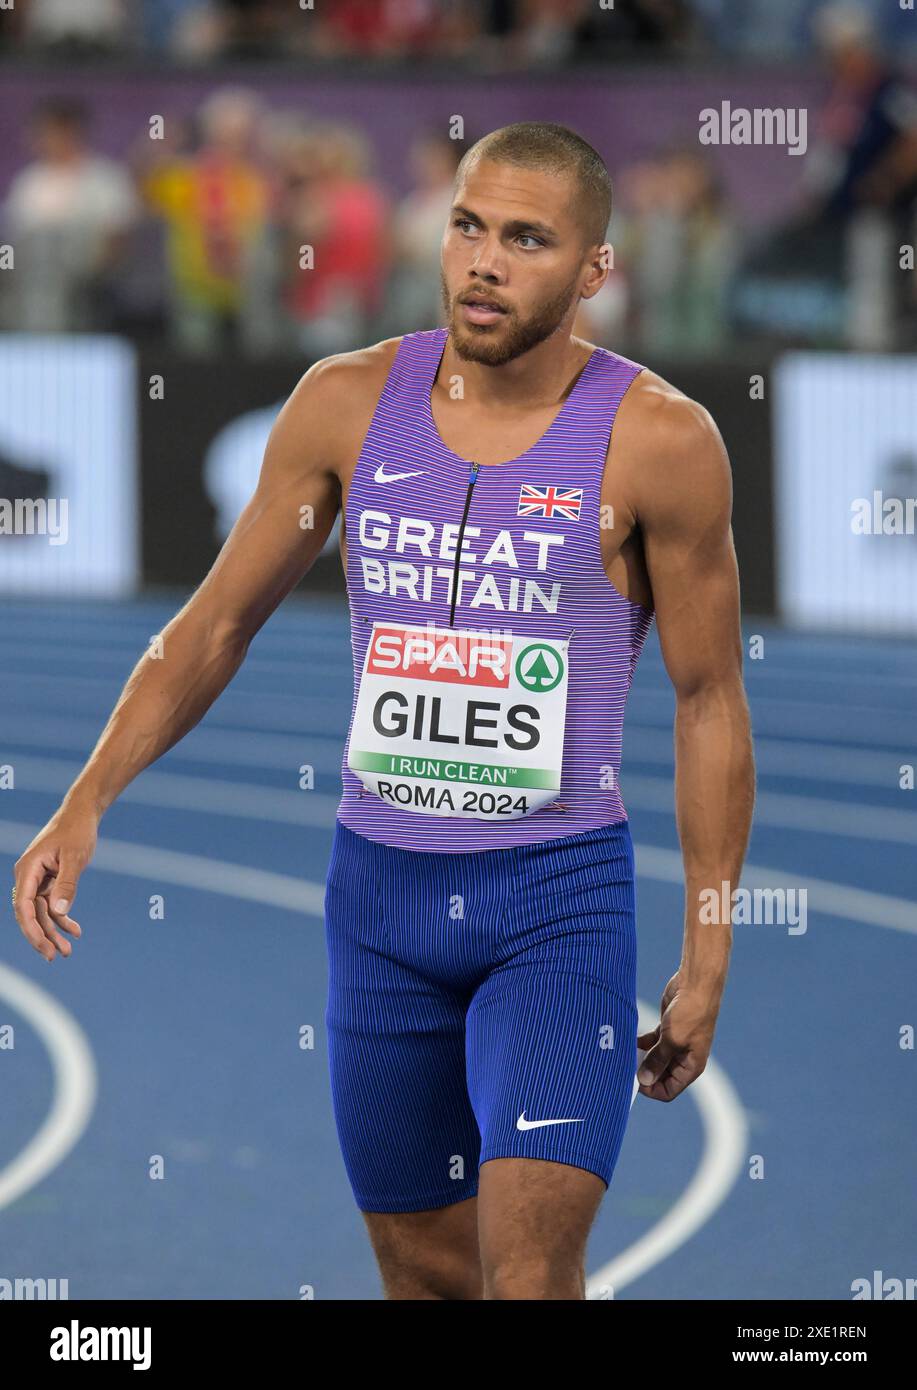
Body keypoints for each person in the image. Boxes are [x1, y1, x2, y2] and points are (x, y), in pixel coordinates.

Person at [12, 121, 755, 1301]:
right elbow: (210, 625)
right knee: (419, 1273)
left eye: (525, 238)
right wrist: (84, 798)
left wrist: (707, 950)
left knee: (526, 1273)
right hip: (378, 905)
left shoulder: (660, 441)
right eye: (467, 225)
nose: (483, 262)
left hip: (552, 907)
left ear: (593, 270)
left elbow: (709, 696)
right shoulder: (346, 403)